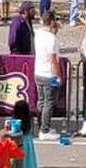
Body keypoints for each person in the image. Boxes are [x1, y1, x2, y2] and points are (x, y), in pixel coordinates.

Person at [33, 11, 62, 140]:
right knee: (49, 103)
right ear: (51, 21)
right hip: (48, 74)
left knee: (41, 101)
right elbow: (53, 60)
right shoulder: (52, 39)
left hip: (38, 71)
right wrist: (58, 75)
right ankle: (45, 130)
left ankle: (42, 126)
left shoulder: (38, 34)